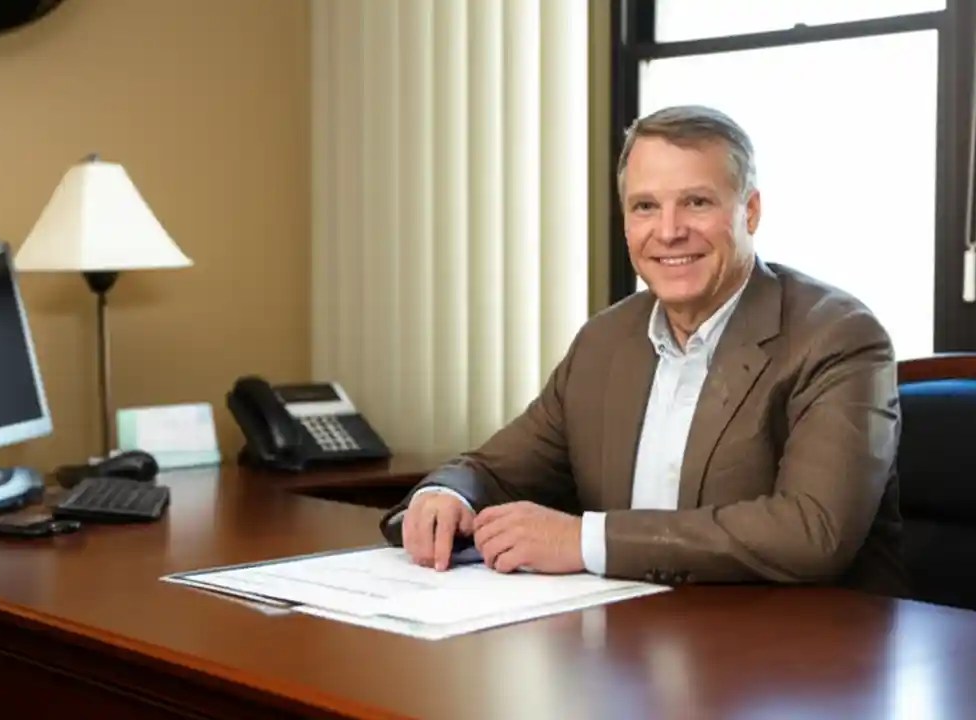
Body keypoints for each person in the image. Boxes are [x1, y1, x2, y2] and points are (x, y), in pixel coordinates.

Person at [380, 105, 906, 595]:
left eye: (696, 203)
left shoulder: (836, 336)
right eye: (646, 207)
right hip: (634, 641)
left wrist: (583, 541)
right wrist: (446, 496)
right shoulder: (604, 341)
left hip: (802, 661)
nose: (670, 231)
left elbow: (812, 532)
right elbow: (496, 468)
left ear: (750, 211)